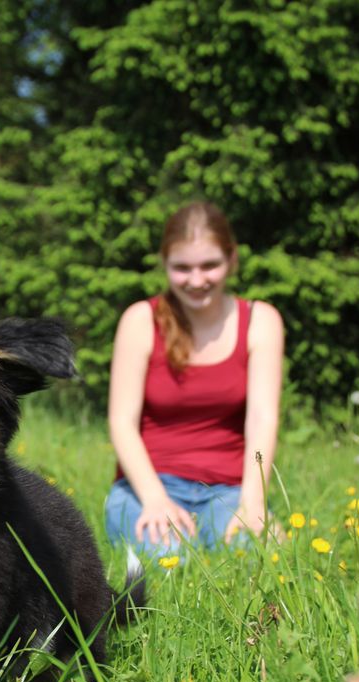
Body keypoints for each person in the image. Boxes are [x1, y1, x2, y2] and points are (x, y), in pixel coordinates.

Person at [106, 201, 284, 557]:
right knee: (171, 558)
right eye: (182, 268)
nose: (197, 280)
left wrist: (254, 504)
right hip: (147, 486)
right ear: (165, 265)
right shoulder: (140, 321)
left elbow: (263, 417)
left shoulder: (261, 321)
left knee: (258, 557)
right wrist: (155, 500)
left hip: (230, 489)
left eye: (210, 265)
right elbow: (121, 422)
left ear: (231, 260)